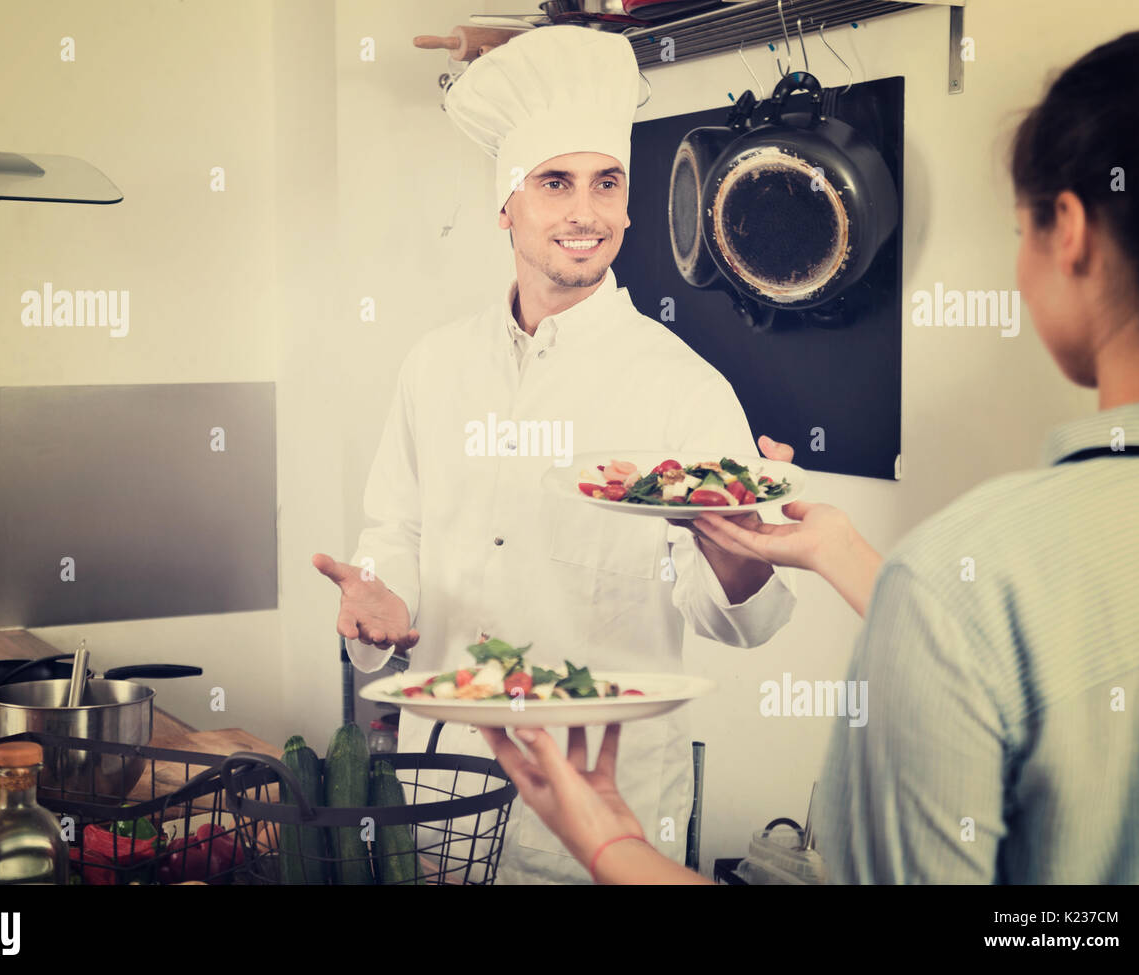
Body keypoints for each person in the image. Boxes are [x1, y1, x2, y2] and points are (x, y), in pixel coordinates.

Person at [482, 25, 1139, 884]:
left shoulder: (970, 580)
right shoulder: (970, 590)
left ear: (1068, 232)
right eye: (555, 182)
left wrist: (611, 842)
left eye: (1017, 225)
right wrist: (844, 551)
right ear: (506, 204)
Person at [313, 25, 799, 884]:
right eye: (555, 183)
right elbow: (396, 532)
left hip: (605, 807)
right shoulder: (436, 365)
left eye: (606, 183)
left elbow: (738, 618)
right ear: (507, 205)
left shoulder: (685, 386)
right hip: (444, 794)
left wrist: (740, 548)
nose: (586, 212)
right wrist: (376, 606)